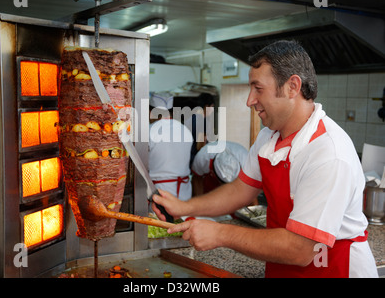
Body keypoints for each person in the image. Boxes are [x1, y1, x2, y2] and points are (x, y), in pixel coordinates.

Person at [152, 40, 378, 278]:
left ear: (292, 86)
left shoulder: (328, 153)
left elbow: (301, 249)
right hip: (284, 268)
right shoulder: (269, 136)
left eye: (258, 88)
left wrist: (220, 234)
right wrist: (183, 207)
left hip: (332, 269)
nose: (249, 100)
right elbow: (241, 190)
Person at [148, 92, 194, 201]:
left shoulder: (149, 130)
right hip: (184, 191)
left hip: (161, 193)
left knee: (158, 218)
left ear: (151, 112)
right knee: (184, 218)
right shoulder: (185, 129)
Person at [184, 93, 215, 167]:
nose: (213, 110)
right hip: (196, 160)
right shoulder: (203, 121)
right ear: (206, 106)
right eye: (212, 107)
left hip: (187, 158)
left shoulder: (189, 119)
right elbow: (200, 147)